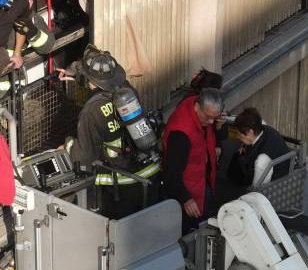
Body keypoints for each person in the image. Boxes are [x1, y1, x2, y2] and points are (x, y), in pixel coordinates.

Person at [70, 51, 159, 219]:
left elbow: (84, 157)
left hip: (120, 189)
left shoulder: (90, 112)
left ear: (90, 82)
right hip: (149, 176)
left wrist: (68, 145)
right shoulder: (128, 92)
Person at [163, 87, 224, 229]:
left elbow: (211, 134)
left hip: (203, 183)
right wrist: (186, 199)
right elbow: (171, 173)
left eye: (214, 118)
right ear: (197, 106)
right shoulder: (180, 134)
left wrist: (219, 129)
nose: (210, 122)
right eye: (208, 117)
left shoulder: (197, 108)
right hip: (189, 194)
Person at [227, 108, 292, 189]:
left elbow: (257, 189)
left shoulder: (262, 160)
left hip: (275, 184)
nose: (238, 137)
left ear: (250, 132)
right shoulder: (264, 127)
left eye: (240, 134)